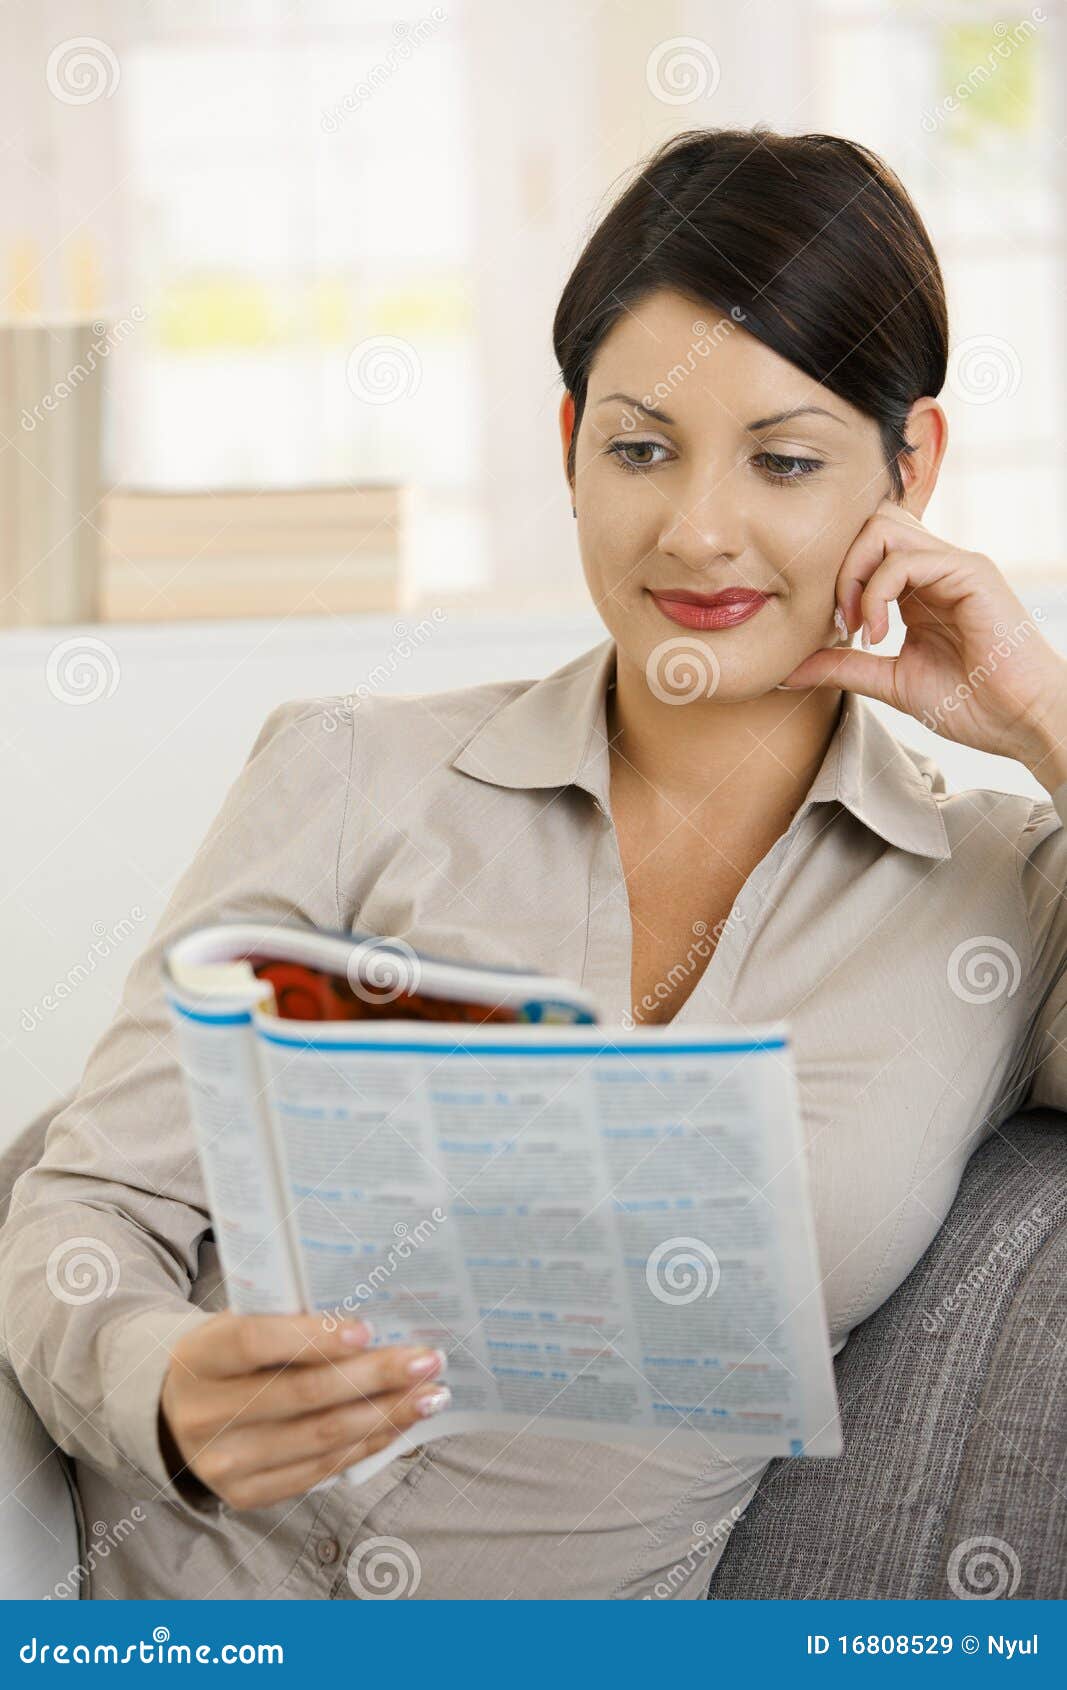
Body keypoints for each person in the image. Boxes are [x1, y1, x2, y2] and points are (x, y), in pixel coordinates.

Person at [3, 125, 1067, 1601]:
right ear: (569, 444)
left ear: (911, 469)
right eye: (641, 448)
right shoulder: (352, 773)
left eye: (784, 460)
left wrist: (1045, 714)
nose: (698, 530)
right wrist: (161, 1379)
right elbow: (86, 1203)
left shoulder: (1006, 894)